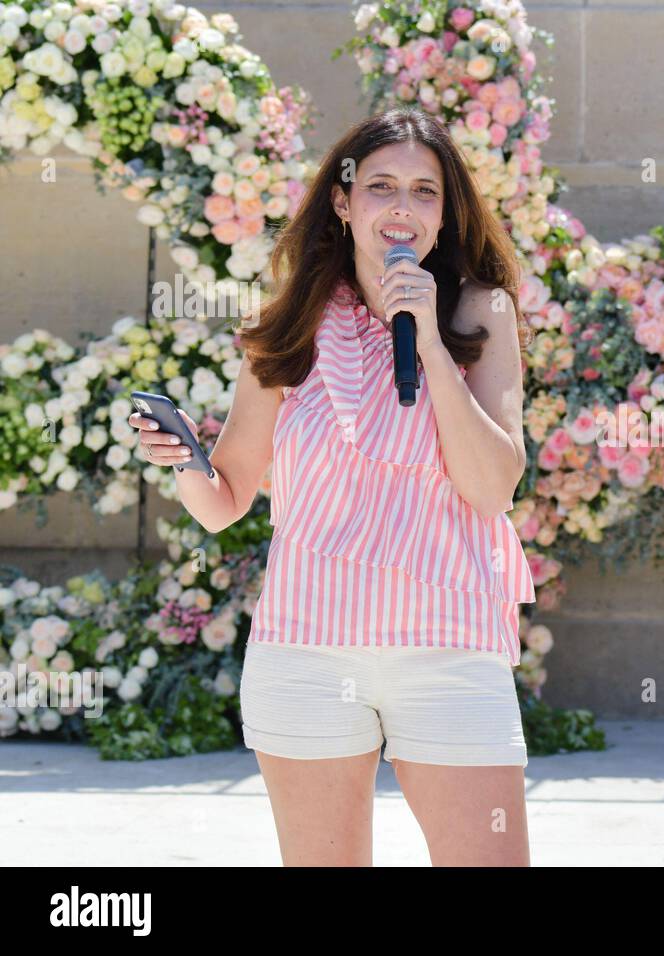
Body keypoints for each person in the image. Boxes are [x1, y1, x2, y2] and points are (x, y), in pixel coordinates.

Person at [128, 107, 537, 866]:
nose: (403, 207)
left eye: (425, 190)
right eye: (381, 186)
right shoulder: (289, 327)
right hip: (306, 652)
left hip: (449, 649)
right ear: (344, 203)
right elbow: (225, 502)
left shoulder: (482, 313)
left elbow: (492, 489)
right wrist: (183, 458)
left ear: (446, 216)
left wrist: (432, 345)